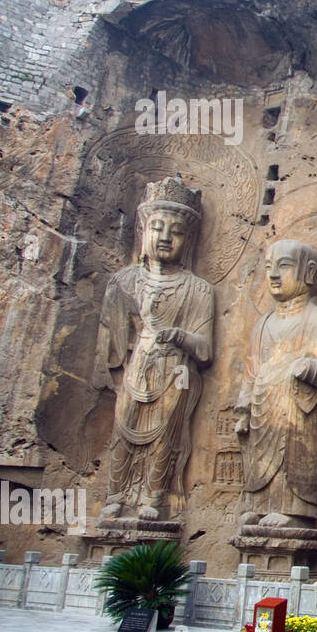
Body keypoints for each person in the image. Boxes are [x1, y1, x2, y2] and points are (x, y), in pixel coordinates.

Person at [94, 176, 213, 522]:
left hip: (175, 371)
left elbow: (205, 350)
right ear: (143, 232)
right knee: (122, 431)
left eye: (174, 232)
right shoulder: (124, 282)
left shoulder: (198, 289)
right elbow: (111, 342)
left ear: (187, 240)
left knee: (166, 435)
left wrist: (179, 336)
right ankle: (115, 495)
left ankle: (154, 495)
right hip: (136, 368)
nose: (164, 237)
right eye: (157, 228)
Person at [235, 240, 317, 528]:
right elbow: (251, 372)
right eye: (269, 267)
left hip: (298, 410)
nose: (273, 275)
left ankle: (295, 510)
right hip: (263, 407)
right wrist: (243, 407)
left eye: (283, 266)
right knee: (257, 456)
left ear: (309, 272)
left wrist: (309, 368)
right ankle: (257, 505)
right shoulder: (262, 325)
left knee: (293, 448)